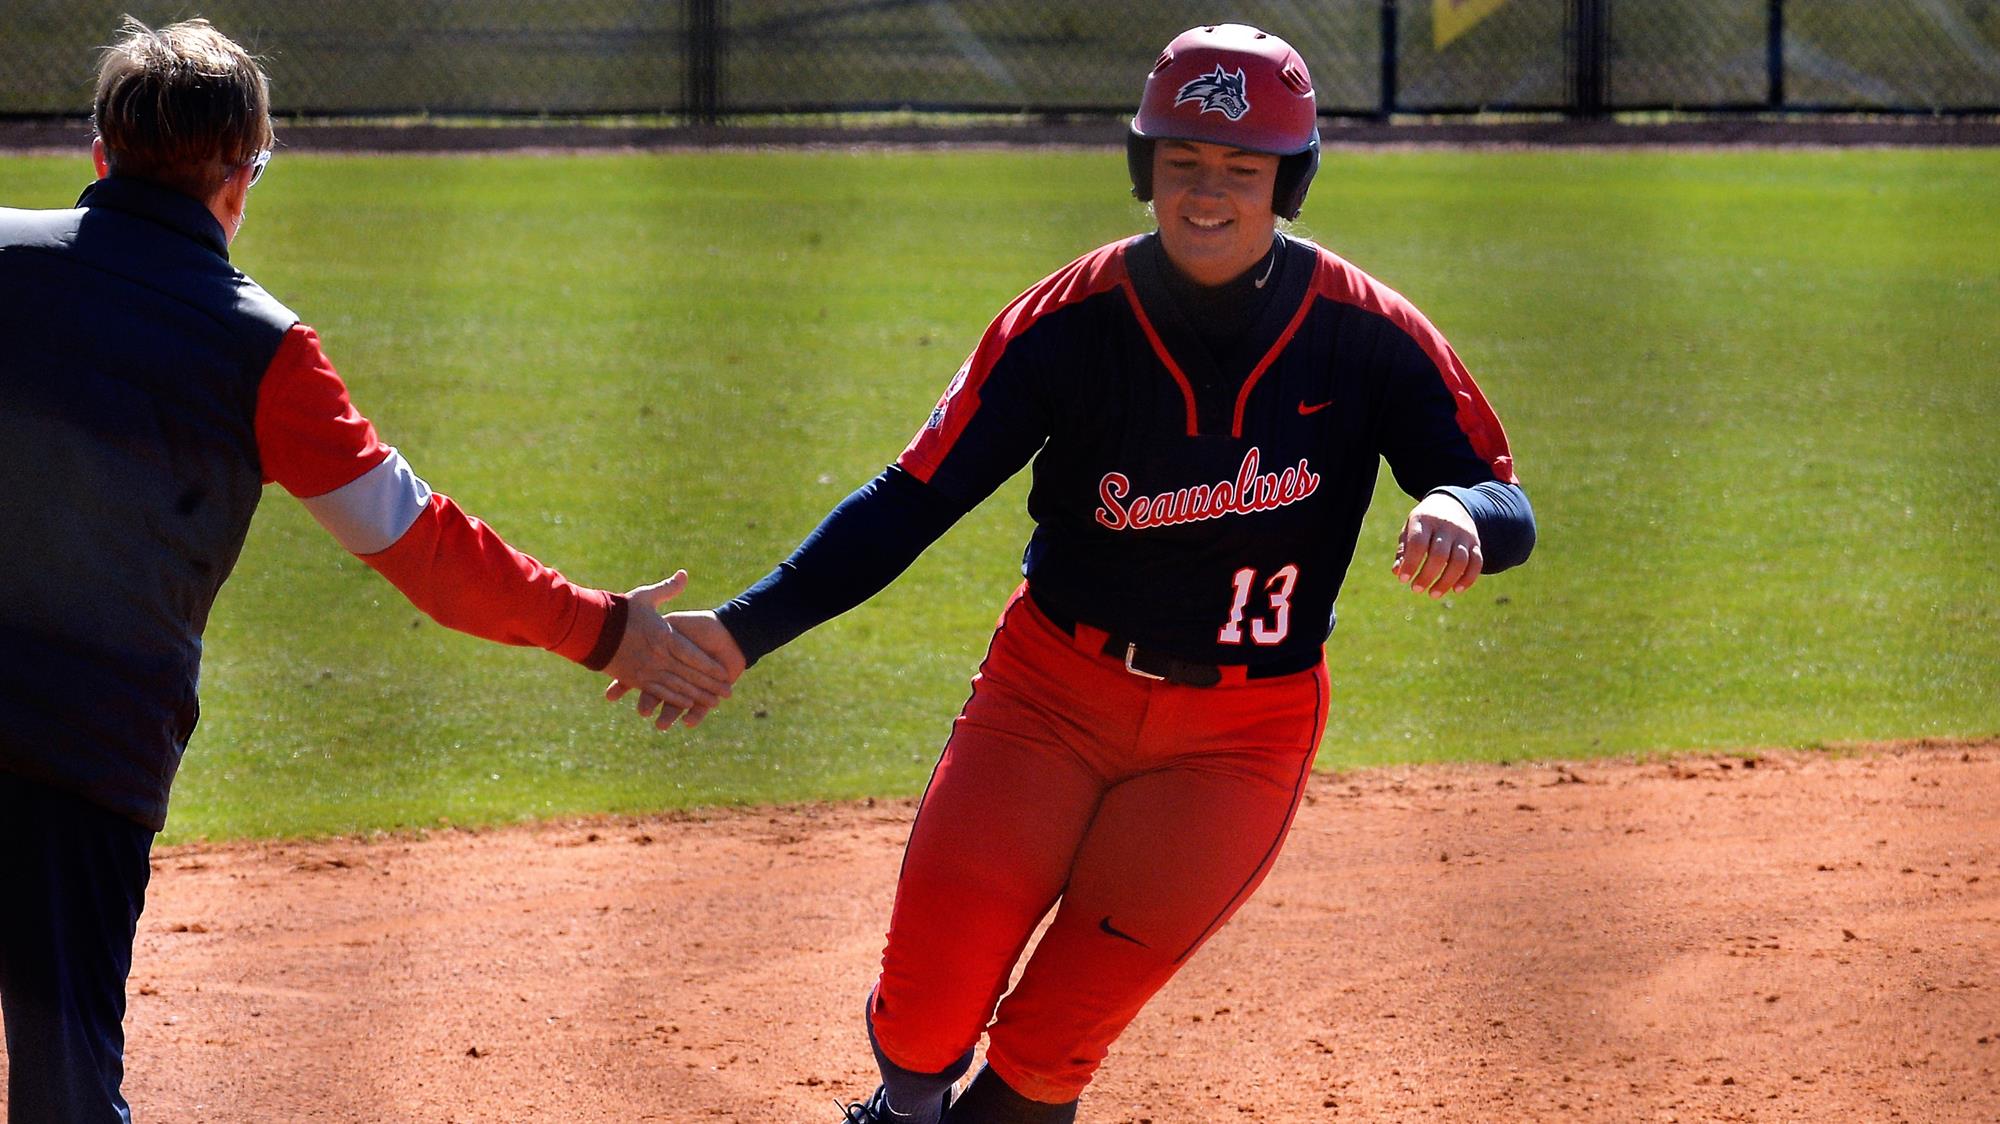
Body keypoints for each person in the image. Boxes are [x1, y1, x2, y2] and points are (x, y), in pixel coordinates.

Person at [642, 22, 1536, 1123]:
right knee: (922, 1022)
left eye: (1240, 170)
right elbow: (913, 497)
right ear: (1143, 169)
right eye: (1182, 164)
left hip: (1237, 736)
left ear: (1286, 183)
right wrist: (745, 627)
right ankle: (901, 1102)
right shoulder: (1068, 321)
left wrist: (1453, 507)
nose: (1207, 194)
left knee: (1047, 1053)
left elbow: (1499, 495)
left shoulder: (1367, 333)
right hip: (1047, 698)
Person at [0, 18, 731, 1123]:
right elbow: (425, 550)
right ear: (243, 179)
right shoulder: (261, 348)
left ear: (98, 154)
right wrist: (601, 626)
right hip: (81, 753)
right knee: (66, 1084)